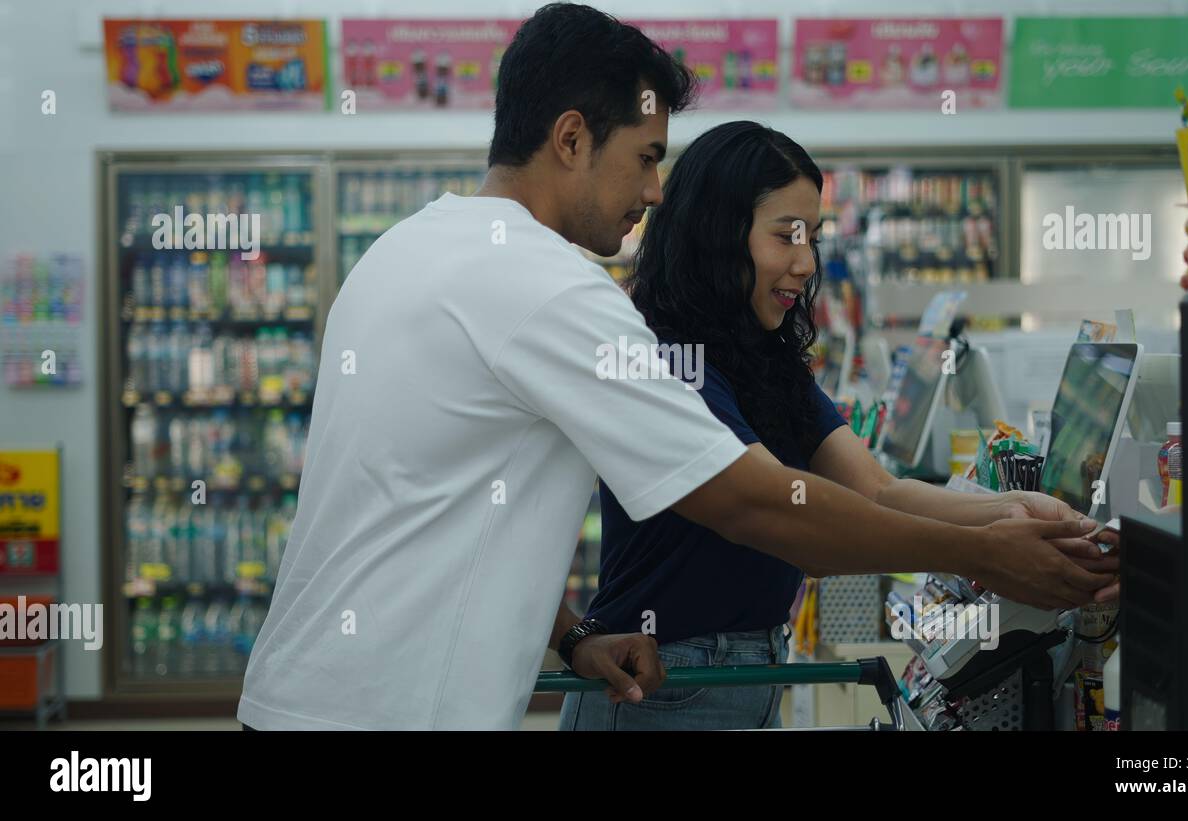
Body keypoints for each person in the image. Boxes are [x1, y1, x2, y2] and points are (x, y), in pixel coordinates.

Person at [238, 4, 1114, 731]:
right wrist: (984, 554)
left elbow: (422, 502)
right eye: (647, 157)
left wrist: (574, 632)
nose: (656, 190)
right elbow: (748, 501)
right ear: (573, 138)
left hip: (300, 698)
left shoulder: (404, 250)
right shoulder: (548, 286)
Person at [558, 122, 1120, 731]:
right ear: (718, 236)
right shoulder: (669, 360)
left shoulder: (764, 358)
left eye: (813, 239)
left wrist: (1012, 509)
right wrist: (987, 549)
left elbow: (876, 489)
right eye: (785, 237)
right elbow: (787, 521)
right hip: (662, 685)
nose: (805, 263)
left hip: (747, 672)